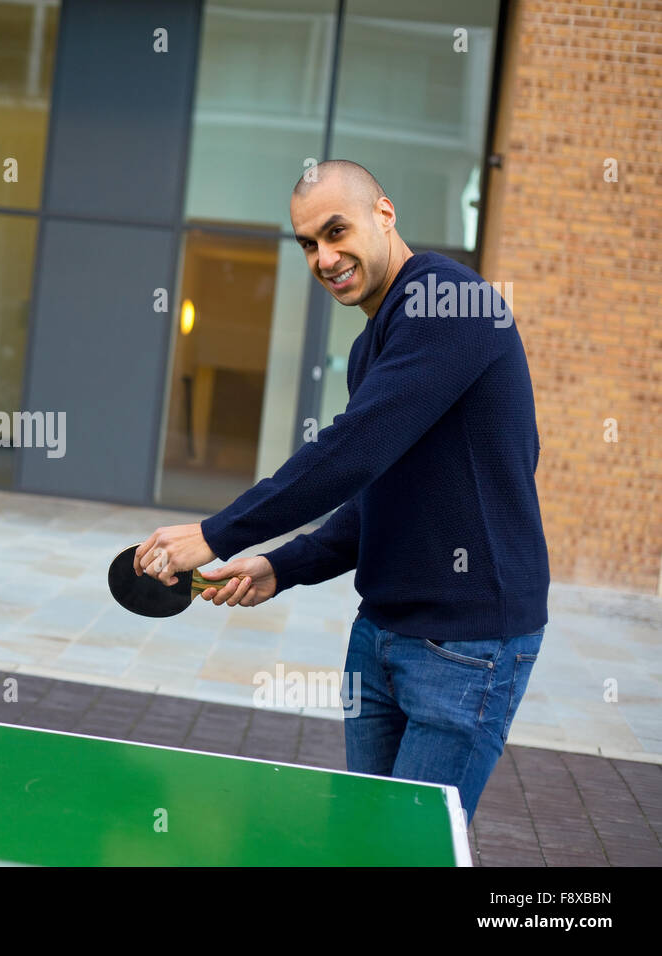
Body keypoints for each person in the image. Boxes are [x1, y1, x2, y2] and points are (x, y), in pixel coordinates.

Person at [134, 159, 549, 824]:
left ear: (384, 214)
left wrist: (215, 534)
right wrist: (282, 566)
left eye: (336, 231)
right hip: (380, 634)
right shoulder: (371, 347)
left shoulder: (449, 302)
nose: (324, 258)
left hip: (468, 645)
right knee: (362, 837)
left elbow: (353, 450)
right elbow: (375, 489)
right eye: (307, 244)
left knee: (410, 850)